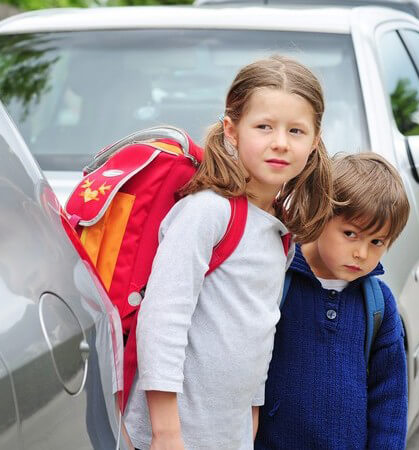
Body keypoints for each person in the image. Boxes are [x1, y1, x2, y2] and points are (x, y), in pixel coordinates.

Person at [123, 55, 335, 450]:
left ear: (315, 140)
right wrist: (165, 432)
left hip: (228, 435)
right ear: (231, 131)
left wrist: (251, 415)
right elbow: (163, 318)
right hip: (169, 436)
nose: (280, 142)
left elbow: (258, 328)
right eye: (264, 127)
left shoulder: (279, 229)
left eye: (296, 130)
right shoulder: (209, 212)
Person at [255, 152, 411, 450]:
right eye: (350, 234)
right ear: (320, 215)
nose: (362, 253)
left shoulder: (379, 304)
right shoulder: (277, 278)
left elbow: (390, 398)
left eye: (377, 242)